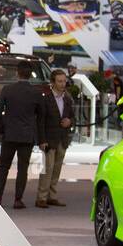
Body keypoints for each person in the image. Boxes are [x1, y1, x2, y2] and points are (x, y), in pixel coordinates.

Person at [0, 61, 45, 209]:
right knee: (23, 168)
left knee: (3, 167)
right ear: (31, 75)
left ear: (17, 72)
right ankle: (18, 199)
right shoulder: (36, 93)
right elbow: (41, 117)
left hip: (9, 134)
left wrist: (2, 129)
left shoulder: (7, 90)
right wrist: (40, 138)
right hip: (27, 136)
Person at [35, 69, 74, 208]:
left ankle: (52, 196)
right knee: (47, 168)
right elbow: (40, 121)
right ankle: (41, 198)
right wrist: (41, 140)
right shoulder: (45, 98)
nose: (63, 84)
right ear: (53, 82)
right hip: (49, 139)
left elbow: (72, 117)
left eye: (64, 81)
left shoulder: (67, 99)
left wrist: (70, 121)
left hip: (62, 139)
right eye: (60, 81)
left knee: (56, 169)